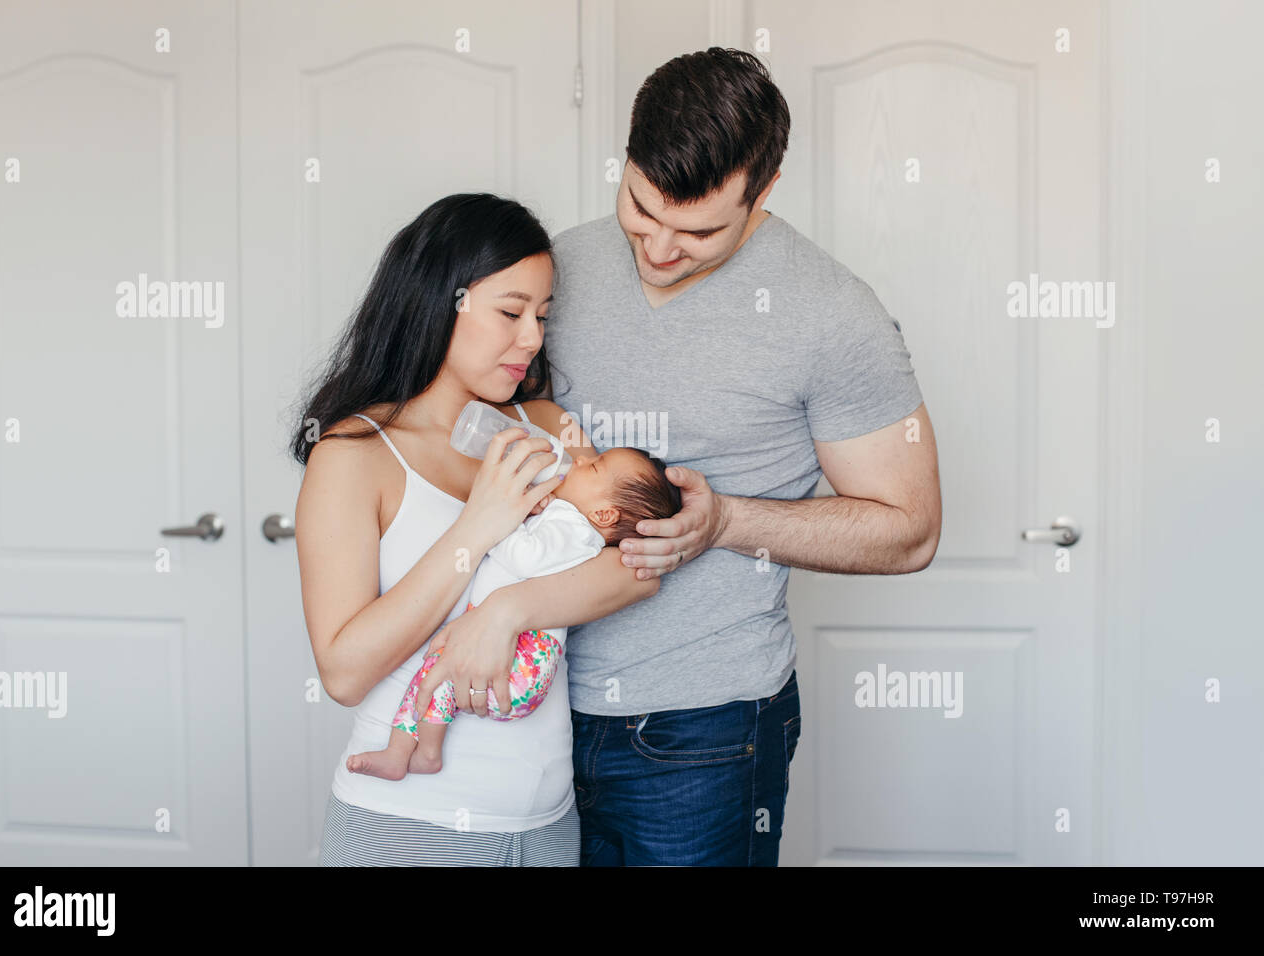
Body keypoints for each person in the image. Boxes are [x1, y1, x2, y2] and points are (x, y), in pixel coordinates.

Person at [542, 48, 943, 866]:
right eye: (641, 210)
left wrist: (724, 519)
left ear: (765, 189)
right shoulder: (558, 267)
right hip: (527, 713)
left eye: (698, 231)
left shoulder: (833, 315)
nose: (657, 249)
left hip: (704, 734)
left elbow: (911, 531)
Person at [291, 193, 658, 866]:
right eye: (511, 312)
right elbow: (343, 672)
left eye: (542, 317)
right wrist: (478, 525)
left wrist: (509, 611)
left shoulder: (545, 426)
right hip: (411, 825)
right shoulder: (353, 458)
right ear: (440, 299)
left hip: (548, 821)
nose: (533, 339)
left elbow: (635, 559)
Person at [345, 447, 680, 781]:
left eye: (593, 467)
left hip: (523, 657)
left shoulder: (575, 530)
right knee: (435, 677)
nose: (579, 459)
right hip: (524, 661)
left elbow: (524, 557)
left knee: (435, 675)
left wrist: (497, 521)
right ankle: (411, 752)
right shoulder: (567, 525)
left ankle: (416, 752)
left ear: (604, 515)